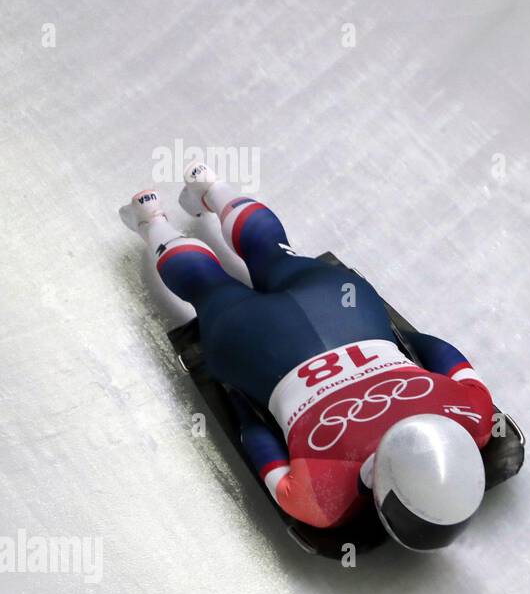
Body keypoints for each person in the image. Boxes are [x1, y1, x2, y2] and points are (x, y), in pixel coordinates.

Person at [120, 163, 496, 550]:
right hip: (255, 342)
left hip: (341, 305)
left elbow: (436, 348)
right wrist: (240, 397)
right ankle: (152, 221)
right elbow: (253, 434)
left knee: (272, 251)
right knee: (209, 287)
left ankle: (211, 186)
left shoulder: (476, 417)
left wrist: (394, 343)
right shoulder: (322, 503)